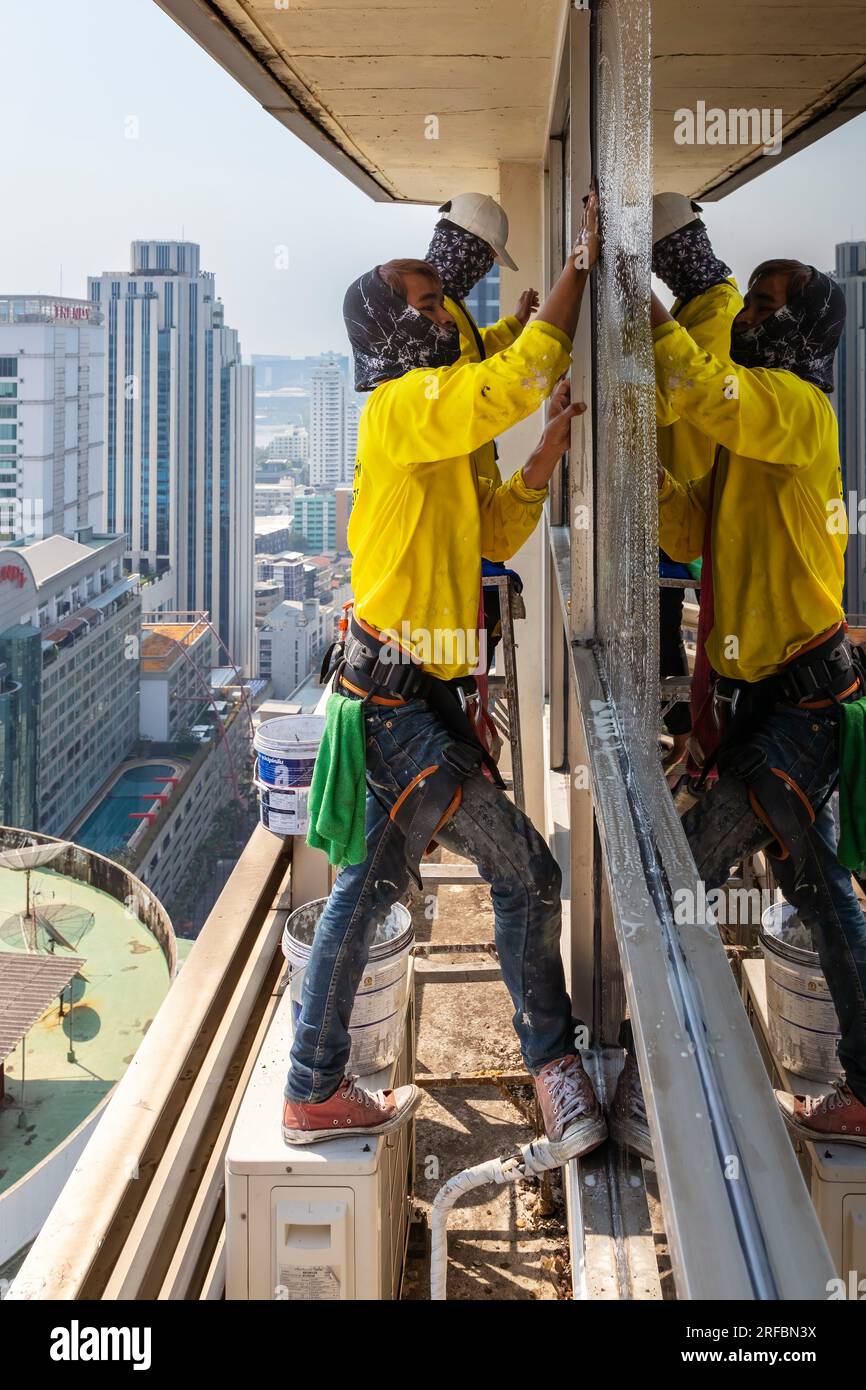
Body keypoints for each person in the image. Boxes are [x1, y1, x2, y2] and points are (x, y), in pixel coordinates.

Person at [282, 195, 608, 1158]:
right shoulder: (400, 409)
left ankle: (314, 1086)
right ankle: (552, 1067)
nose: (441, 314)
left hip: (401, 698)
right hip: (396, 710)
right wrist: (580, 266)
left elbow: (495, 536)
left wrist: (543, 454)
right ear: (391, 334)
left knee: (367, 890)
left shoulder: (434, 430)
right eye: (426, 304)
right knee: (525, 874)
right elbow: (513, 371)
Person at [651, 256, 866, 1146]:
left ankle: (672, 1081)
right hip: (778, 701)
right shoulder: (757, 431)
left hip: (796, 704)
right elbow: (683, 527)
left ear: (800, 331)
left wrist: (646, 299)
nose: (746, 318)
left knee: (688, 879)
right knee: (821, 894)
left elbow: (707, 392)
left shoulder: (796, 410)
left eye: (764, 306)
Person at [425, 192, 540, 667]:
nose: (486, 269)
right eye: (487, 257)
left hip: (466, 495)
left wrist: (514, 326)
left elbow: (474, 354)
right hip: (453, 502)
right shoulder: (437, 316)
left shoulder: (448, 306)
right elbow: (479, 387)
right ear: (469, 249)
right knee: (466, 651)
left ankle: (467, 705)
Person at [652, 193, 744, 784]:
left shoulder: (716, 314)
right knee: (662, 620)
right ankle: (690, 738)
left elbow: (673, 396)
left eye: (661, 259)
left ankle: (697, 744)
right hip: (675, 492)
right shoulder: (697, 302)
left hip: (692, 494)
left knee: (675, 620)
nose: (661, 271)